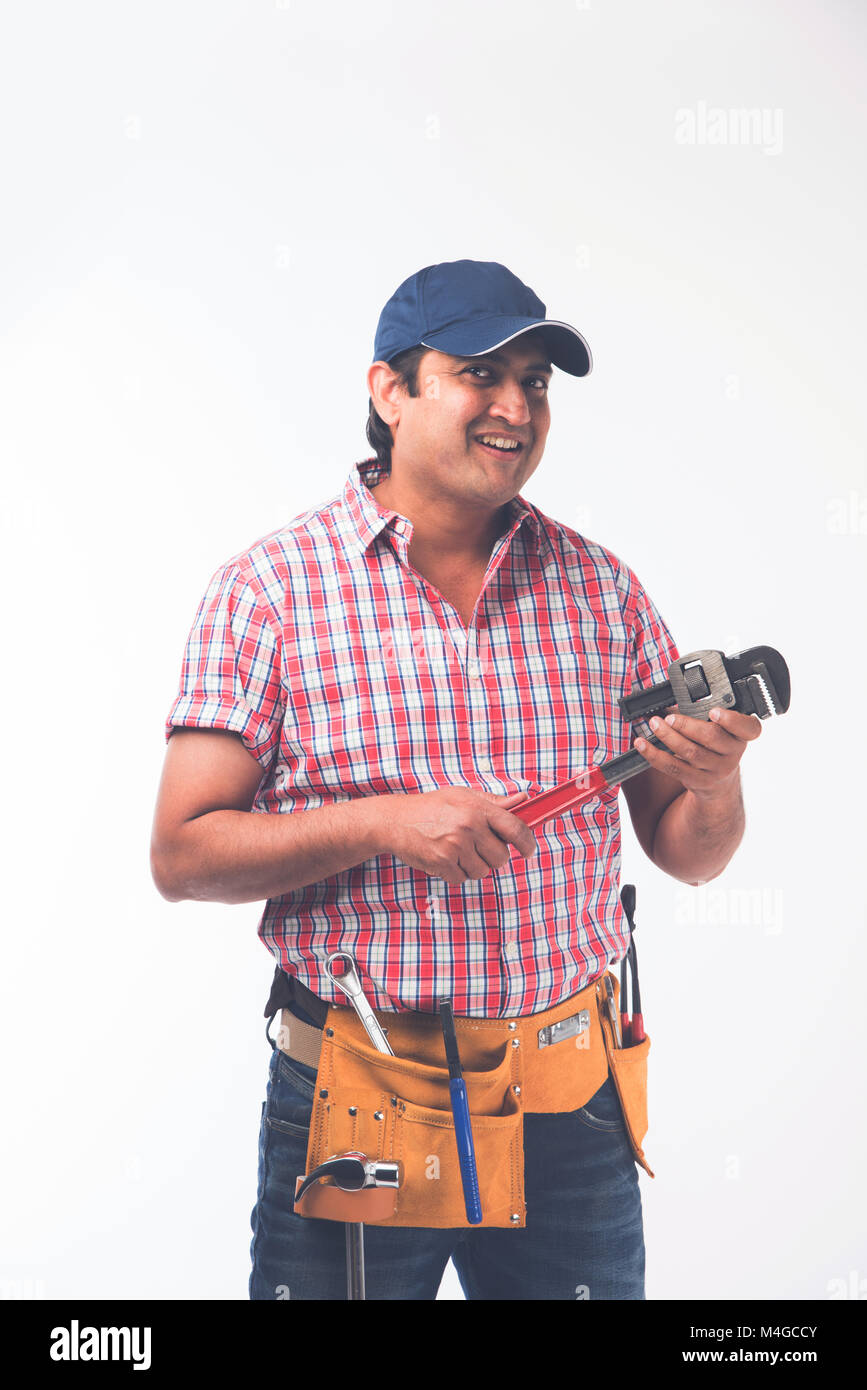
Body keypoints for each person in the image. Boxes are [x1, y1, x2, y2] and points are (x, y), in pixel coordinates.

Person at [150, 259, 761, 1300]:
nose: (517, 405)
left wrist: (717, 779)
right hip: (360, 1097)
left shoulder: (601, 590)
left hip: (573, 1101)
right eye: (482, 372)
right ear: (389, 389)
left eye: (537, 380)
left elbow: (690, 855)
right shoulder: (269, 593)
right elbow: (182, 852)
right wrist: (384, 823)